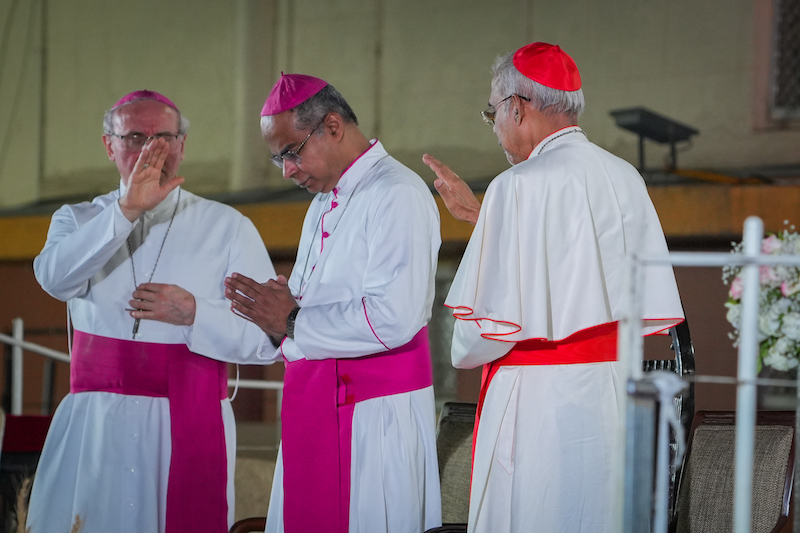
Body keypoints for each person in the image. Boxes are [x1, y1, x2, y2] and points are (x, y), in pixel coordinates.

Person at [423, 43, 684, 533]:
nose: (494, 126)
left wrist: (490, 223)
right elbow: (575, 266)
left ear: (517, 107)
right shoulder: (625, 176)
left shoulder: (517, 184)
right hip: (614, 392)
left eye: (492, 113)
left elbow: (477, 339)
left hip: (540, 403)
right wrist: (487, 221)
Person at [26, 90, 276, 533]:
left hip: (188, 417)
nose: (150, 150)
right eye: (135, 138)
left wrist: (196, 313)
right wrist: (125, 212)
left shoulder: (228, 227)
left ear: (183, 144)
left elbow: (266, 339)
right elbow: (54, 280)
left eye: (163, 137)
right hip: (97, 422)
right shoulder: (77, 219)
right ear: (109, 145)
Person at [224, 73, 442, 533]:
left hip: (372, 417)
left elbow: (393, 317)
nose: (286, 171)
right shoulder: (323, 203)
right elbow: (303, 313)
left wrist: (291, 319)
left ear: (333, 126)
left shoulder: (396, 192)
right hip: (320, 404)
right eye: (278, 158)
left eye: (291, 152)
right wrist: (274, 317)